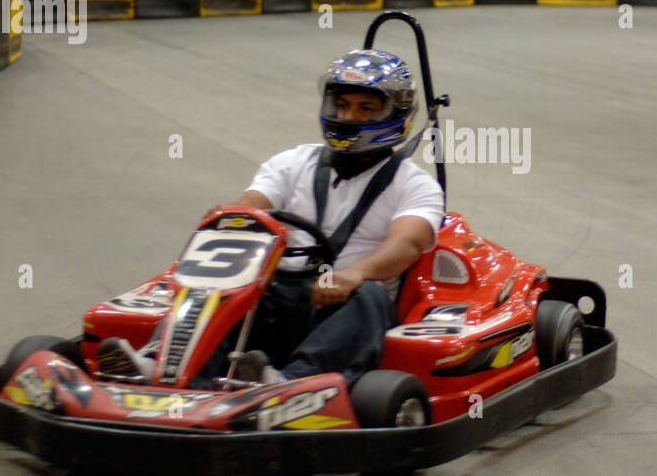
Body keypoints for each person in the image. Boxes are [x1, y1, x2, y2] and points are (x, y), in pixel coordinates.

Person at [98, 47, 445, 386]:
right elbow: (253, 204)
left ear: (394, 115)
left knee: (367, 296)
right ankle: (163, 362)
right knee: (218, 280)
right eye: (343, 105)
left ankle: (294, 383)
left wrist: (354, 274)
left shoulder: (414, 184)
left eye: (366, 108)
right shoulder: (293, 162)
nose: (349, 117)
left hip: (344, 305)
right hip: (280, 292)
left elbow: (407, 243)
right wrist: (231, 215)